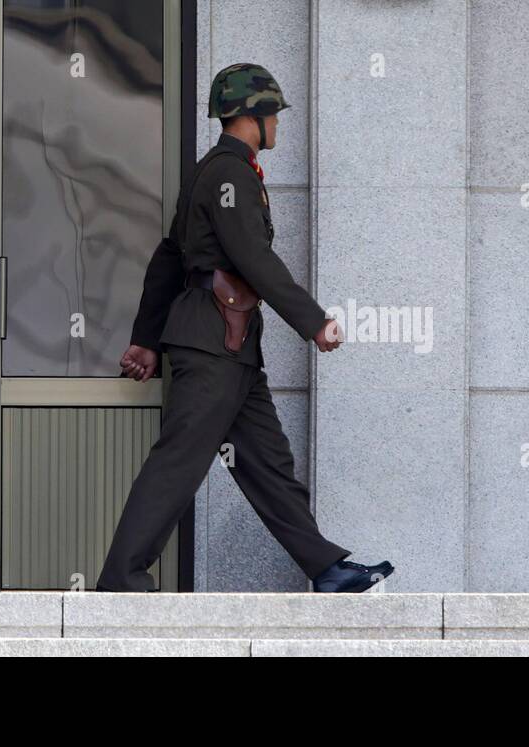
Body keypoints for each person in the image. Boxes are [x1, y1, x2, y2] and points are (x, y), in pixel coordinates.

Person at [99, 63, 393, 593]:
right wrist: (314, 322)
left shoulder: (215, 172)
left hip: (231, 348)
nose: (278, 123)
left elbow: (168, 258)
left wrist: (145, 340)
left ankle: (325, 567)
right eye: (273, 113)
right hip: (212, 343)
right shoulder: (228, 173)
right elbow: (252, 258)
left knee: (268, 464)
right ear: (252, 114)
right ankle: (121, 579)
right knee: (179, 462)